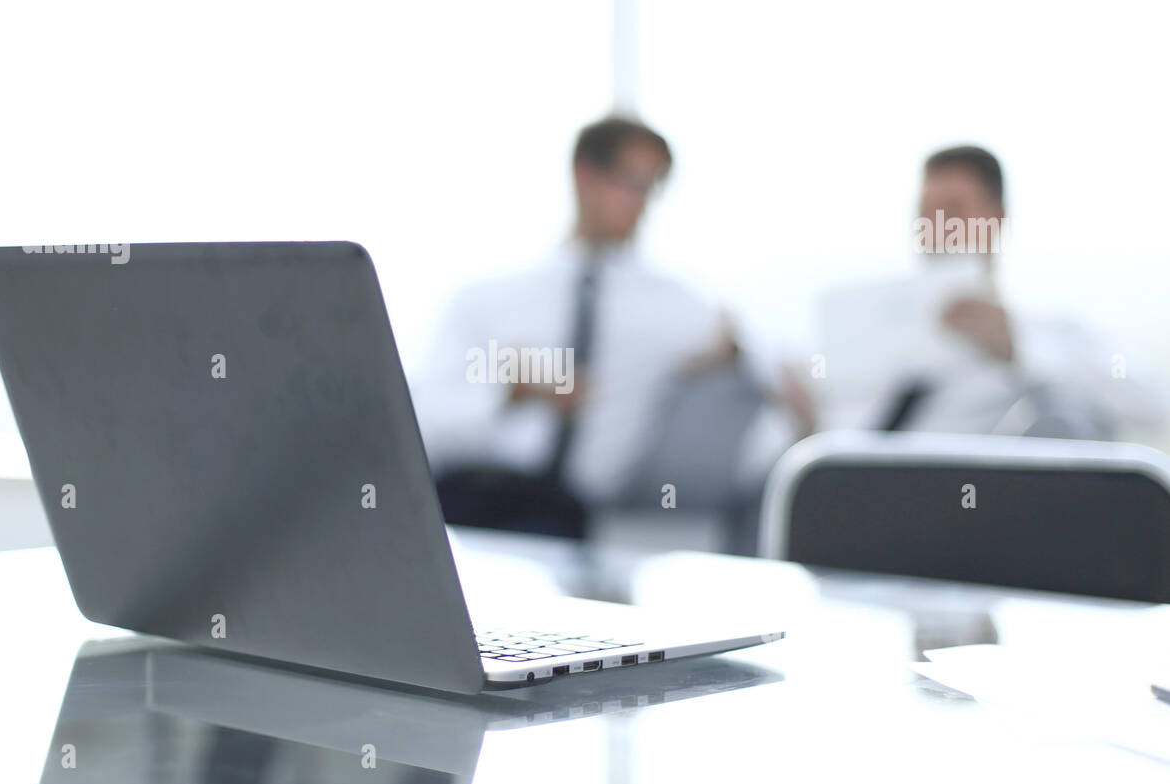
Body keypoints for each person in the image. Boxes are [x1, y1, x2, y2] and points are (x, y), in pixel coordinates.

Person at [413, 115, 761, 539]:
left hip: (569, 514)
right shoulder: (488, 299)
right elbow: (423, 422)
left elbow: (758, 352)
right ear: (585, 175)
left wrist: (732, 356)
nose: (641, 204)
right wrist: (510, 393)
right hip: (465, 495)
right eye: (631, 182)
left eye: (652, 188)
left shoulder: (672, 309)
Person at [815, 145, 1165, 438]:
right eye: (924, 213)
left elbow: (1151, 404)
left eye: (952, 211)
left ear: (995, 218)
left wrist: (1017, 348)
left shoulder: (1049, 334)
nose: (936, 229)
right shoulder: (869, 338)